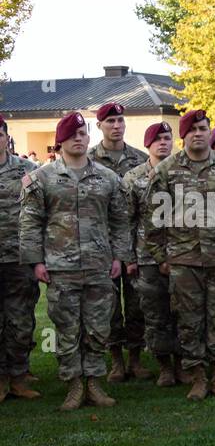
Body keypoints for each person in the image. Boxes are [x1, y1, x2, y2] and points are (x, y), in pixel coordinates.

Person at [19, 112, 131, 410]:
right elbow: (30, 222)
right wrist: (36, 262)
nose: (79, 139)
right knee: (67, 328)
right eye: (72, 135)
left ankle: (94, 383)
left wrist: (119, 256)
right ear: (61, 142)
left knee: (97, 328)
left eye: (82, 134)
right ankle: (73, 385)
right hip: (60, 267)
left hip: (98, 265)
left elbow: (120, 221)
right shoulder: (42, 178)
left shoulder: (108, 178)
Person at [145, 108, 215, 401]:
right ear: (183, 136)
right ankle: (197, 376)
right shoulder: (166, 171)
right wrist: (162, 257)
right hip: (183, 260)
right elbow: (153, 219)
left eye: (203, 128)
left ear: (210, 132)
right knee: (189, 319)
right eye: (192, 129)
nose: (198, 133)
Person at [90, 102, 150, 383]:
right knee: (110, 305)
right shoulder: (89, 160)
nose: (117, 126)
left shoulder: (140, 159)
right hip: (102, 245)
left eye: (120, 121)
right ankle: (115, 360)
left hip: (136, 245)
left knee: (137, 302)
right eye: (111, 121)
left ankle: (135, 358)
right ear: (100, 126)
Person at [122, 122, 183, 387]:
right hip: (147, 257)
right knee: (155, 313)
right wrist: (129, 258)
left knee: (183, 312)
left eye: (167, 138)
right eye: (157, 139)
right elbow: (126, 220)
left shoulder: (183, 172)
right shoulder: (133, 178)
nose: (163, 143)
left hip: (182, 254)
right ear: (148, 145)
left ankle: (183, 363)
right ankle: (164, 366)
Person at [0, 114, 40, 402]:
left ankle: (18, 377)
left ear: (6, 137)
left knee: (20, 321)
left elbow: (40, 212)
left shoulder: (28, 171)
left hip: (18, 259)